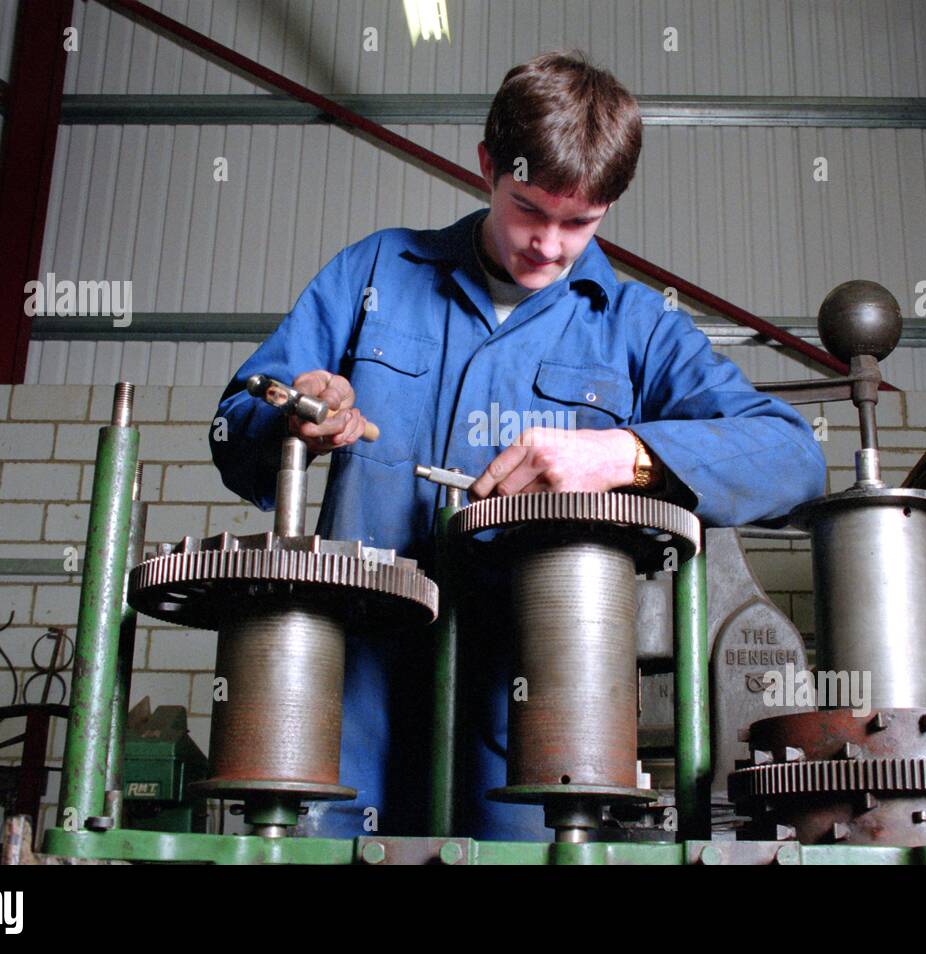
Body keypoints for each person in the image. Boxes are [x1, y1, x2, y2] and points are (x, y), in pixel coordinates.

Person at [211, 50, 826, 840]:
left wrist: (627, 455)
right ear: (487, 167)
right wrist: (296, 413)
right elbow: (235, 420)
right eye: (530, 209)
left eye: (581, 223)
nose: (550, 245)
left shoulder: (634, 327)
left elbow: (792, 453)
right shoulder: (376, 274)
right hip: (341, 712)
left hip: (535, 740)